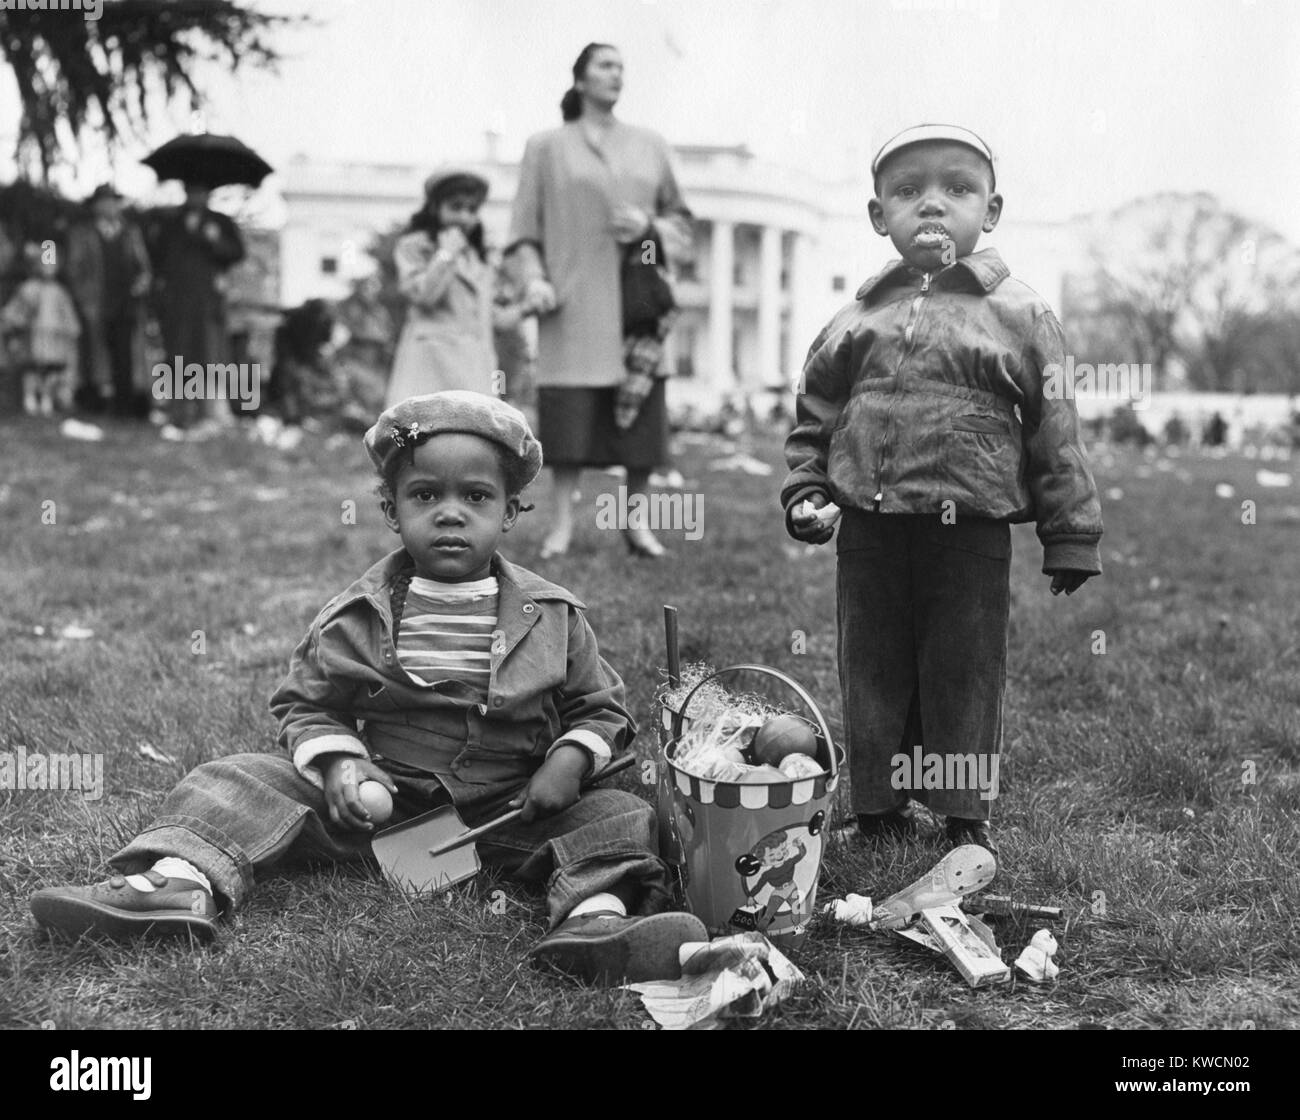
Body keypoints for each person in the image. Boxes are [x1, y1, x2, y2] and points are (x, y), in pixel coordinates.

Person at [30, 391, 706, 985]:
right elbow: (307, 703)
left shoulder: (553, 616)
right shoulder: (358, 615)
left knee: (616, 813)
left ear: (509, 513)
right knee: (237, 777)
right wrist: (341, 764)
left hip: (511, 811)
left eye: (475, 497)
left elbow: (600, 706)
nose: (449, 514)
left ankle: (594, 921)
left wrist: (569, 759)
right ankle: (177, 883)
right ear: (390, 510)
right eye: (425, 496)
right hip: (385, 808)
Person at [782, 125, 1103, 855]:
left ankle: (965, 817)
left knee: (963, 668)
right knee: (872, 667)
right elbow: (815, 416)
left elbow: (1055, 425)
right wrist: (806, 487)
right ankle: (877, 809)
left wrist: (1071, 531)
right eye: (908, 192)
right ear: (877, 216)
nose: (932, 205)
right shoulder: (856, 317)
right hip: (870, 528)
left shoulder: (1020, 313)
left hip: (972, 532)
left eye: (956, 189)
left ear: (990, 211)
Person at [506, 42, 693, 559]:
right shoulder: (545, 147)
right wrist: (534, 280)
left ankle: (636, 524)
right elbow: (523, 231)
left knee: (641, 421)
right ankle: (561, 524)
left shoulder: (651, 145)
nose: (617, 75)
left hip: (639, 305)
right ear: (581, 79)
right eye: (606, 66)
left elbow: (682, 225)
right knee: (569, 418)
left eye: (621, 67)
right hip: (571, 302)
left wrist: (648, 227)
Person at [385, 168, 529, 406]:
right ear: (435, 207)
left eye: (471, 210)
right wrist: (445, 254)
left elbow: (491, 319)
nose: (464, 217)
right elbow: (424, 295)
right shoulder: (415, 247)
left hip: (475, 375)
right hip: (431, 374)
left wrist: (527, 308)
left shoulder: (478, 260)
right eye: (456, 207)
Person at [144, 181, 245, 433]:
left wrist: (214, 240)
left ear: (207, 194)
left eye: (200, 191)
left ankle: (208, 411)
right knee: (177, 354)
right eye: (192, 191)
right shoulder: (170, 224)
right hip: (177, 301)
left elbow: (236, 253)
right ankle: (178, 410)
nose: (195, 196)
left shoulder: (220, 223)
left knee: (208, 355)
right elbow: (158, 258)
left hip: (207, 301)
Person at [65, 184, 152, 417]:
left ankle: (125, 405)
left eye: (113, 201)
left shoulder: (130, 232)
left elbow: (143, 267)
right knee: (95, 356)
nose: (109, 206)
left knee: (126, 354)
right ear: (94, 207)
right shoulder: (80, 232)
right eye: (103, 202)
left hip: (127, 304)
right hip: (96, 303)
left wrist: (142, 282)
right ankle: (96, 402)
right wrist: (82, 298)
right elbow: (69, 266)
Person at [0, 241, 82, 416]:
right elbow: (18, 309)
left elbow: (67, 312)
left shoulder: (59, 291)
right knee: (32, 368)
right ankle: (30, 398)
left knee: (51, 370)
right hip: (35, 336)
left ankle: (47, 399)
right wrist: (11, 321)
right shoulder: (29, 289)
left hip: (54, 337)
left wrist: (72, 326)